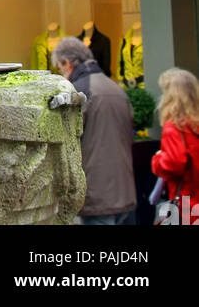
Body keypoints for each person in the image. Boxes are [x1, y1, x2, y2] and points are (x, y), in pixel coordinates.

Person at [52, 36, 137, 224]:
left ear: (67, 63)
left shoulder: (78, 92)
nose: (61, 73)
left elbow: (66, 143)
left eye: (60, 68)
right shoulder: (116, 89)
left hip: (94, 199)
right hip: (125, 195)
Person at [151, 68, 199, 223]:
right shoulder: (194, 124)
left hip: (186, 204)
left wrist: (157, 160)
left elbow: (173, 165)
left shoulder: (175, 127)